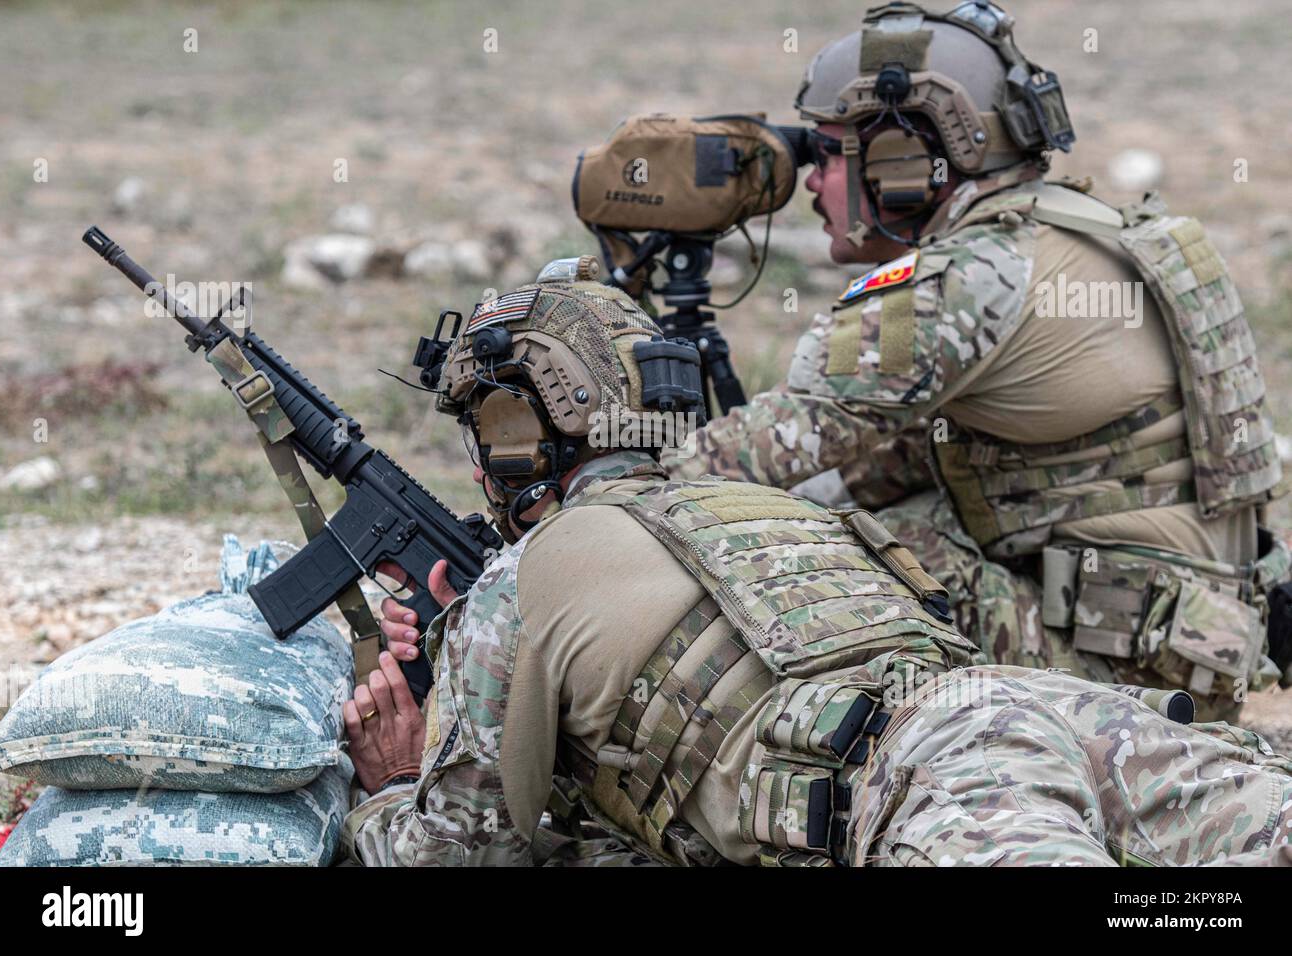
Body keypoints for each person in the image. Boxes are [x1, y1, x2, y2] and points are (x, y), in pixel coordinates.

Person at [339, 262, 1292, 866]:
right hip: (1046, 712)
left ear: (513, 438)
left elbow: (459, 855)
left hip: (927, 780)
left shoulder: (521, 580)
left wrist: (385, 786)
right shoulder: (761, 505)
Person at [658, 0, 1290, 721]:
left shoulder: (962, 283)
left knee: (800, 558)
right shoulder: (1078, 229)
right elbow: (890, 462)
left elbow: (752, 457)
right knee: (856, 503)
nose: (810, 183)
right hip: (1188, 644)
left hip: (1121, 679)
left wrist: (606, 488)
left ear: (903, 163)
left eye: (829, 155)